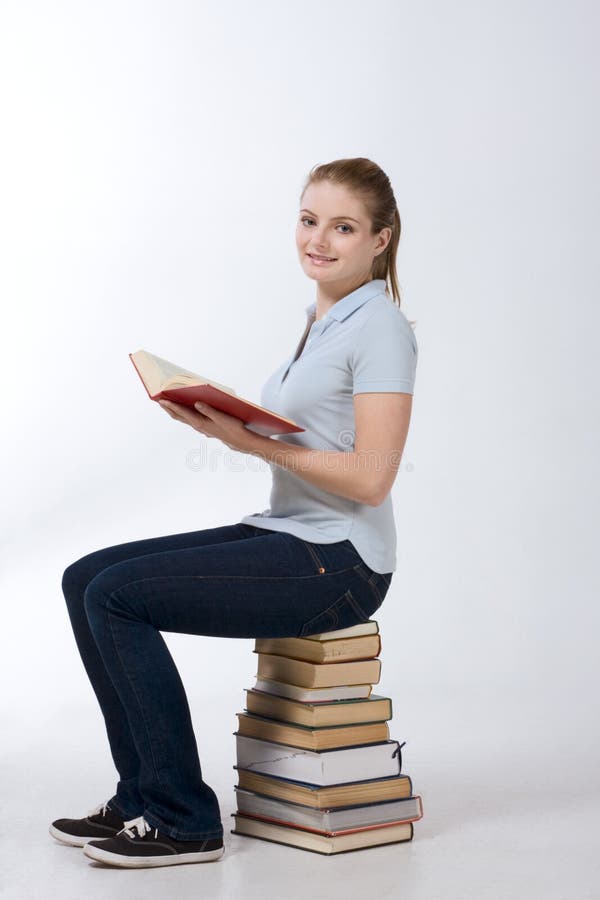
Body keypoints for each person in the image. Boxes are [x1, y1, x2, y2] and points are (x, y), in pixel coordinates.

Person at [49, 157, 418, 868]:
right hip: (292, 532)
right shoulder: (323, 319)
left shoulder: (381, 329)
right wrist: (226, 422)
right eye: (309, 220)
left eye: (342, 226)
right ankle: (140, 794)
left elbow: (371, 479)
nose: (319, 239)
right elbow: (309, 438)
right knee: (83, 576)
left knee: (116, 596)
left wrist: (247, 440)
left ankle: (183, 818)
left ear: (379, 239)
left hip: (342, 560)